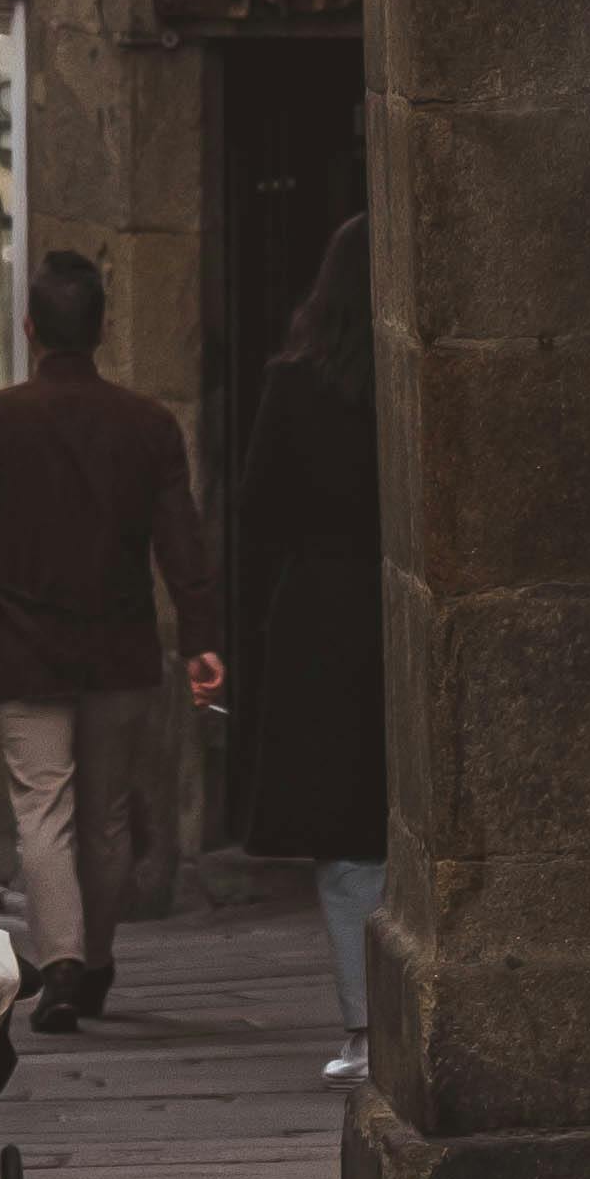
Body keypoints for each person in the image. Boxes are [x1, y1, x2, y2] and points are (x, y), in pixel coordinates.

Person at [0, 247, 223, 1034]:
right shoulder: (147, 425)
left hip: (23, 643)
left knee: (40, 808)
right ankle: (94, 960)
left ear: (29, 328)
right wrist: (200, 637)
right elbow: (179, 541)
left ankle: (57, 960)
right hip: (116, 645)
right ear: (102, 328)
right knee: (107, 817)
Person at [238, 213, 386, 1082]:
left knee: (348, 835)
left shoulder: (295, 386)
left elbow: (260, 509)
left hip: (325, 616)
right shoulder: (418, 382)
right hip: (394, 598)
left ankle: (364, 1029)